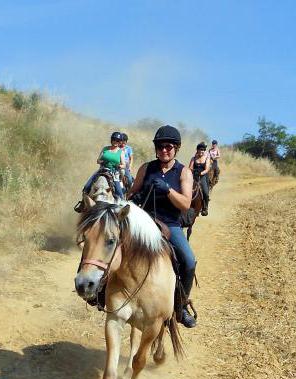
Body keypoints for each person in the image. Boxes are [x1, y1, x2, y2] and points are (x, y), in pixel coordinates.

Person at [126, 125, 198, 328]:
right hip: (143, 220)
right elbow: (130, 195)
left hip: (170, 224)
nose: (163, 150)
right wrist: (135, 196)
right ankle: (101, 291)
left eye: (168, 146)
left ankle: (181, 306)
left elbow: (185, 204)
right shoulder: (146, 168)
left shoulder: (183, 172)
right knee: (113, 243)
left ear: (176, 148)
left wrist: (167, 190)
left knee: (189, 261)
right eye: (160, 146)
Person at [83, 131, 127, 199]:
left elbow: (124, 165)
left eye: (118, 141)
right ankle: (83, 204)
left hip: (114, 173)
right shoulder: (105, 149)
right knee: (86, 187)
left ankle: (121, 204)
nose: (116, 142)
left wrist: (119, 166)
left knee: (119, 193)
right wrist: (102, 161)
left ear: (120, 142)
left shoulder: (121, 152)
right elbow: (98, 160)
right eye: (114, 140)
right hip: (102, 170)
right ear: (111, 140)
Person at [189, 142, 211, 216]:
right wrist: (193, 172)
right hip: (194, 176)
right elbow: (190, 168)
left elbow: (207, 169)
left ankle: (205, 207)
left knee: (205, 192)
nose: (201, 151)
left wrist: (200, 173)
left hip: (203, 176)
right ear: (197, 150)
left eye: (203, 150)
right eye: (200, 149)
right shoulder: (193, 158)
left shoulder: (206, 158)